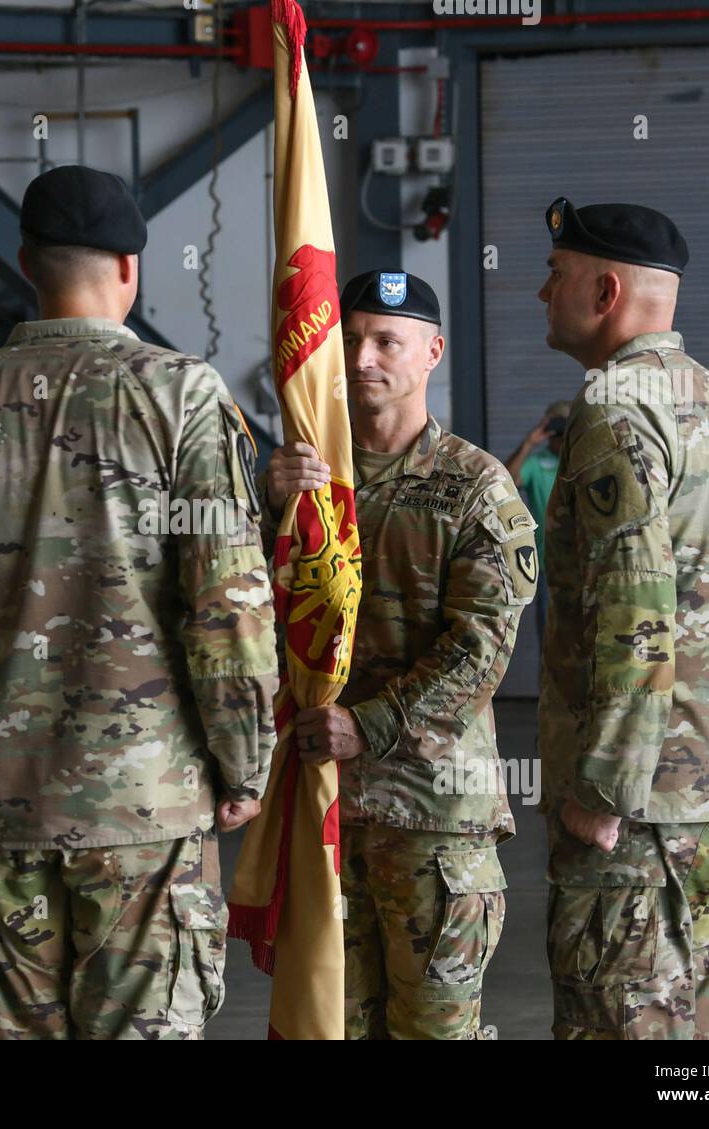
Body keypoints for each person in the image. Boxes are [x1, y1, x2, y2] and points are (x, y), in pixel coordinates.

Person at [0, 165, 277, 1040]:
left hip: (4, 804)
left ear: (25, 264)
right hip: (148, 809)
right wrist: (245, 764)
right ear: (131, 267)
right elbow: (228, 605)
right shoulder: (183, 397)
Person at [536, 197, 709, 1039]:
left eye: (555, 275)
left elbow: (634, 607)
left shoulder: (618, 406)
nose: (540, 292)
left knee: (620, 1017)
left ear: (606, 289)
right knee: (690, 1025)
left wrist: (605, 788)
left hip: (645, 802)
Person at [264, 270, 536, 1039]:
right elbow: (251, 615)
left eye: (387, 340)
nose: (362, 358)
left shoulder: (475, 487)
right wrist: (268, 510)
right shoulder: (313, 480)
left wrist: (370, 724)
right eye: (348, 339)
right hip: (324, 813)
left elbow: (481, 648)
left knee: (431, 1031)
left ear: (433, 352)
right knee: (333, 1028)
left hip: (432, 821)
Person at [504, 400, 570, 648]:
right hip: (547, 563)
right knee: (550, 639)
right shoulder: (537, 461)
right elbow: (506, 484)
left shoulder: (586, 457)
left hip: (587, 564)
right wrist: (530, 443)